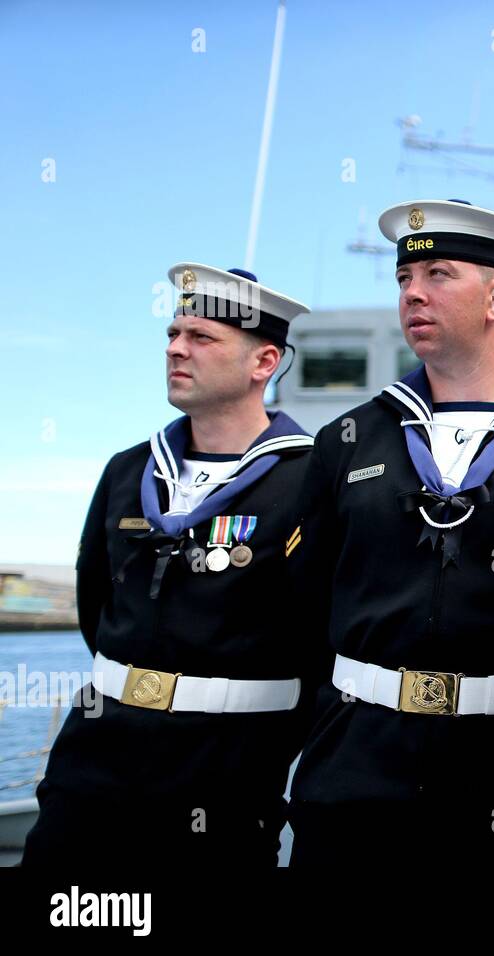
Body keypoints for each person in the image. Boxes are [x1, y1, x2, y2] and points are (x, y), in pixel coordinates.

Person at [285, 199, 494, 865]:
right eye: (404, 279)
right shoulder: (347, 439)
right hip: (355, 775)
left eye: (439, 274)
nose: (413, 292)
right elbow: (301, 603)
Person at [23, 264, 315, 866]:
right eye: (173, 333)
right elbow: (94, 601)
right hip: (96, 757)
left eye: (202, 338)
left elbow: (322, 633)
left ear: (264, 363)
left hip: (226, 768)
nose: (176, 349)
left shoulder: (312, 481)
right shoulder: (128, 470)